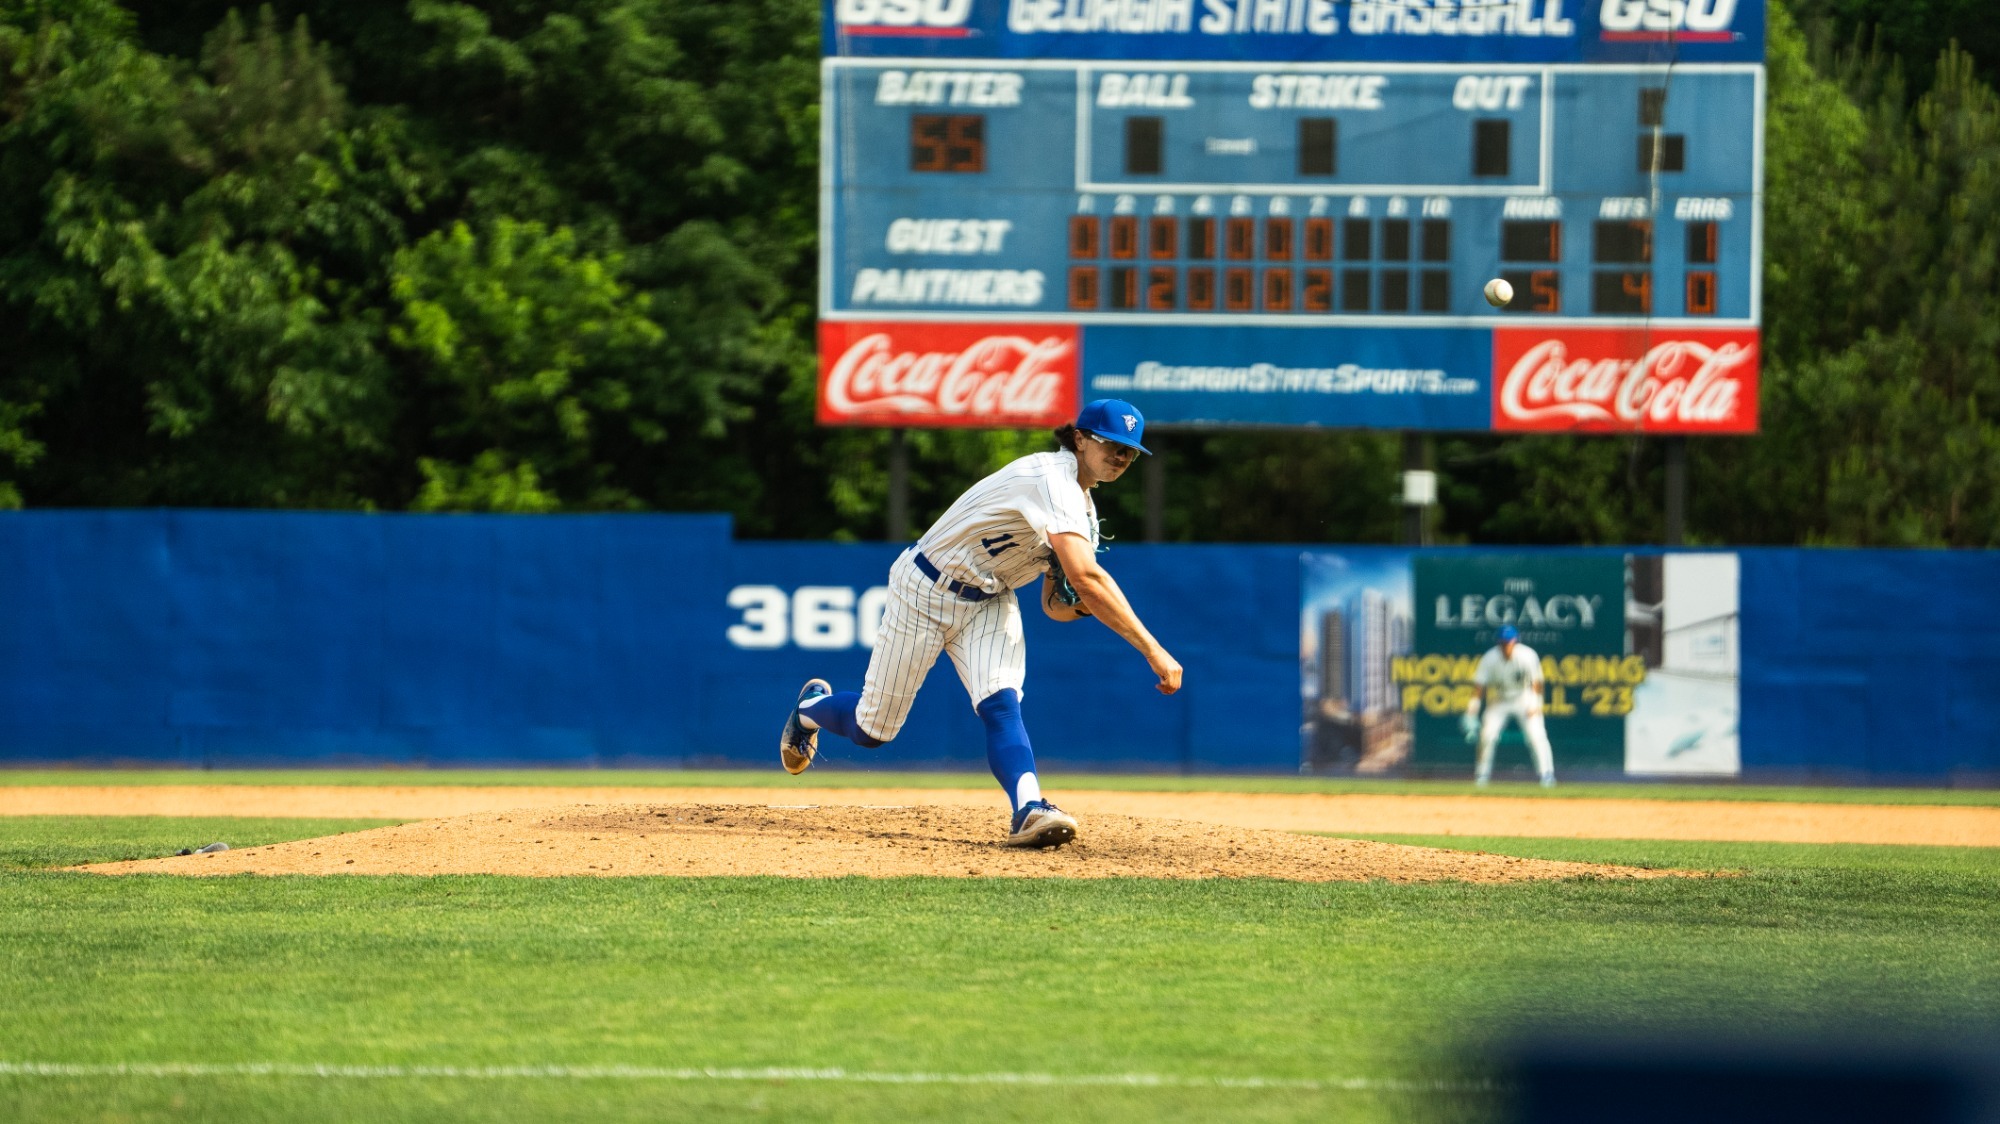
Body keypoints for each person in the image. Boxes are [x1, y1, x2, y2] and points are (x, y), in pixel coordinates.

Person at [778, 399, 1184, 848]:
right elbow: (1087, 578)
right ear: (1080, 439)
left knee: (1001, 703)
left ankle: (1028, 810)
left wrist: (1082, 606)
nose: (1121, 456)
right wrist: (1152, 649)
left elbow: (1054, 606)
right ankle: (810, 710)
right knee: (872, 731)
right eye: (1111, 444)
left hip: (991, 598)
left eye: (1129, 450)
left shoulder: (1083, 513)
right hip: (926, 587)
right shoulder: (1050, 478)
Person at [1462, 624, 1556, 787]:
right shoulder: (1489, 658)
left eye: (1509, 641)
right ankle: (1482, 776)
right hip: (1499, 699)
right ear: (1499, 643)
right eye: (1503, 642)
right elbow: (1479, 687)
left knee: (1537, 736)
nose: (1506, 645)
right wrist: (1472, 710)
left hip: (1524, 697)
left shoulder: (1527, 655)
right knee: (1487, 736)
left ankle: (1547, 775)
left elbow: (1537, 682)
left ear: (1515, 641)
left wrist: (1535, 704)